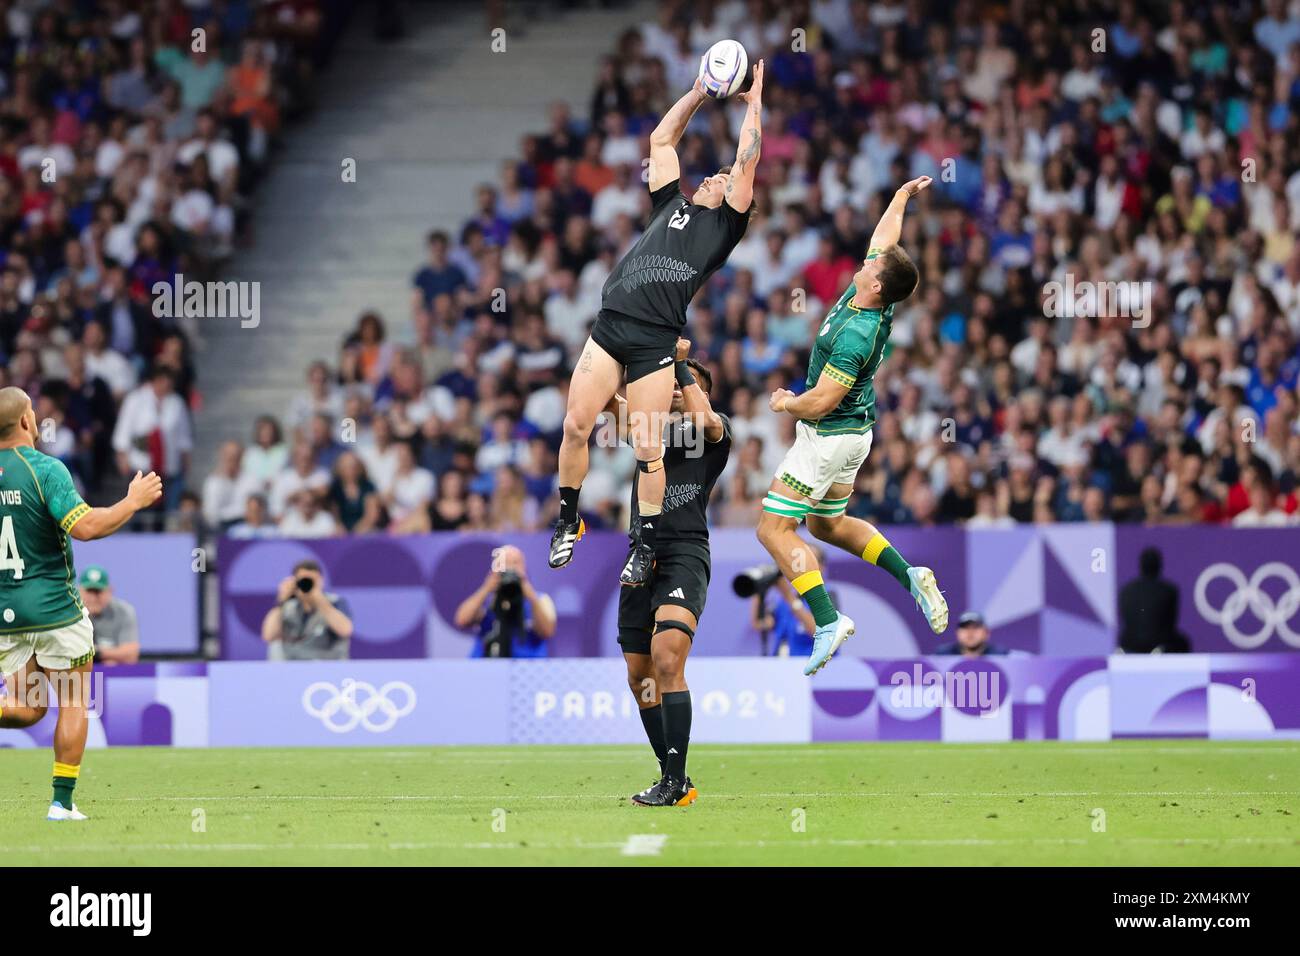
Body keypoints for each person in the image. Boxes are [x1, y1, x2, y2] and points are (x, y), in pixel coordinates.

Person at [549, 60, 764, 588]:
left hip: (655, 340)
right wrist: (695, 93)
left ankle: (643, 546)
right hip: (612, 322)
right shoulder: (670, 202)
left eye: (722, 180)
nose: (715, 176)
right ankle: (566, 519)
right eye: (712, 175)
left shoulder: (723, 227)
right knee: (577, 424)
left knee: (648, 446)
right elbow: (661, 139)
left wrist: (753, 102)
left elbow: (747, 159)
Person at [756, 176, 948, 676]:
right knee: (827, 524)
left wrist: (785, 403)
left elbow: (821, 401)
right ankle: (910, 576)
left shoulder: (858, 334)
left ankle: (826, 619)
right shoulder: (867, 297)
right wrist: (902, 197)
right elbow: (883, 241)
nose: (865, 262)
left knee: (773, 529)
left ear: (877, 284)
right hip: (855, 435)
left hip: (828, 437)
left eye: (871, 267)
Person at [0, 386, 162, 821]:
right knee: (73, 701)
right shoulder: (45, 470)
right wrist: (132, 501)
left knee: (28, 708)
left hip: (5, 616)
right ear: (25, 422)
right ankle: (61, 803)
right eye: (32, 412)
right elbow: (86, 527)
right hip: (54, 609)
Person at [607, 339, 730, 807]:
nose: (677, 392)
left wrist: (679, 367)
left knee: (667, 658)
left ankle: (676, 783)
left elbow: (703, 420)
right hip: (641, 552)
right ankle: (671, 775)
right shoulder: (647, 431)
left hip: (684, 552)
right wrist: (619, 357)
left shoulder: (715, 433)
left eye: (688, 387)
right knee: (640, 675)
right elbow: (605, 404)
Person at [453, 545, 556, 658]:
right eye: (504, 564)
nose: (509, 569)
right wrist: (486, 589)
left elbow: (547, 631)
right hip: (487, 664)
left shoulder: (539, 599)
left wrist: (530, 596)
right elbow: (462, 620)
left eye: (515, 563)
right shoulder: (487, 599)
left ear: (524, 567)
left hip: (528, 666)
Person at [260, 559, 354, 660]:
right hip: (293, 664)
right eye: (303, 580)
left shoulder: (335, 602)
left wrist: (320, 600)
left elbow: (345, 630)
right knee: (275, 646)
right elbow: (268, 636)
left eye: (312, 581)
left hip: (327, 664)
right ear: (294, 582)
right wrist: (281, 601)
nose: (307, 584)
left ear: (321, 581)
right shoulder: (287, 606)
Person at [1117, 547, 1187, 654]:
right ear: (1159, 566)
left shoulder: (1126, 590)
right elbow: (1171, 623)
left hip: (1129, 644)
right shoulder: (1169, 590)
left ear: (1140, 566)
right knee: (1183, 642)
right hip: (1158, 644)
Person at [77, 566, 140, 665]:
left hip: (111, 675)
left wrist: (97, 653)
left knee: (111, 664)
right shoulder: (70, 613)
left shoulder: (123, 612)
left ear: (109, 591)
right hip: (78, 674)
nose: (93, 598)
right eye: (89, 591)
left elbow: (131, 655)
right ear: (79, 591)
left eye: (98, 592)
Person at [934, 611, 1008, 657]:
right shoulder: (943, 656)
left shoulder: (1000, 656)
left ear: (986, 633)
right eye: (965, 628)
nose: (970, 632)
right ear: (957, 633)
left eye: (976, 627)